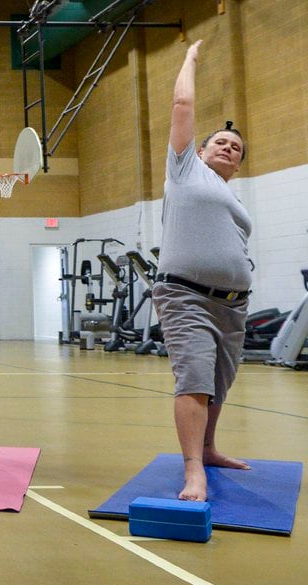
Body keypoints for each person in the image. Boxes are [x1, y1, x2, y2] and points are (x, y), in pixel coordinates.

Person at [154, 39, 252, 502]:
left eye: (236, 147)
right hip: (186, 295)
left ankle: (209, 449)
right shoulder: (185, 169)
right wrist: (191, 59)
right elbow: (182, 104)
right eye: (221, 141)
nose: (228, 148)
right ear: (201, 148)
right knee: (194, 376)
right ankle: (193, 470)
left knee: (219, 383)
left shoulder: (233, 196)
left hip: (233, 304)